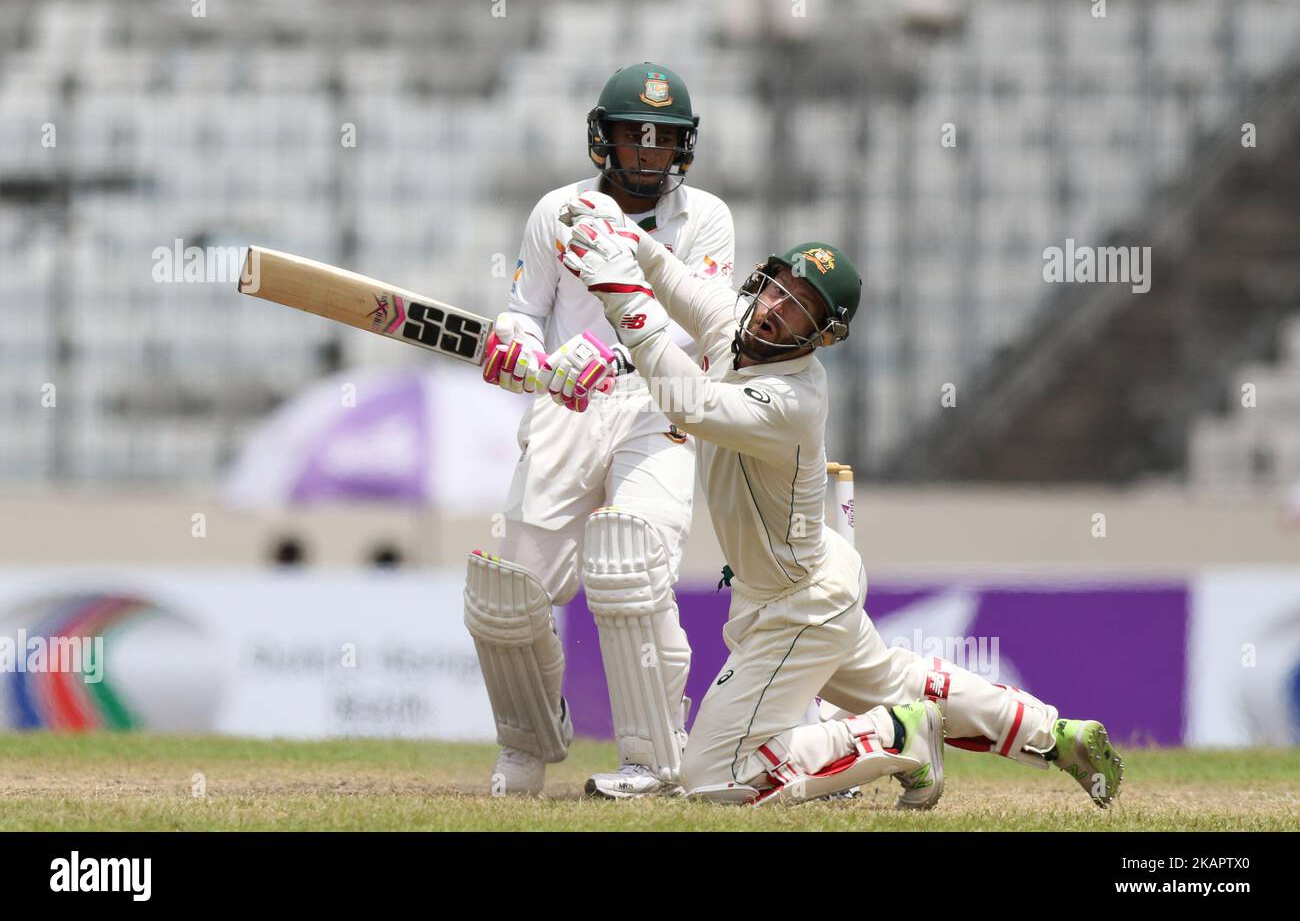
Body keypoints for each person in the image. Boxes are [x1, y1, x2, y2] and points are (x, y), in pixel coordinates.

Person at [556, 192, 1125, 807]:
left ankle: (894, 736)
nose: (776, 308)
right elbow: (673, 277)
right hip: (812, 579)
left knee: (711, 776)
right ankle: (1058, 733)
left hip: (796, 604)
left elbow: (687, 403)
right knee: (899, 680)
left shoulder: (791, 401)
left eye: (801, 308)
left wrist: (617, 291)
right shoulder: (736, 326)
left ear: (821, 335)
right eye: (779, 287)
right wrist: (625, 237)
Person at [463, 62, 735, 798]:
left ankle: (653, 756)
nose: (648, 156)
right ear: (602, 140)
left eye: (662, 142)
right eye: (633, 139)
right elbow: (526, 307)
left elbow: (707, 336)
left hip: (660, 405)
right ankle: (526, 743)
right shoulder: (557, 210)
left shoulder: (704, 219)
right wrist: (517, 339)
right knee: (511, 592)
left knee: (630, 561)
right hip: (564, 408)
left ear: (683, 146)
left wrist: (614, 351)